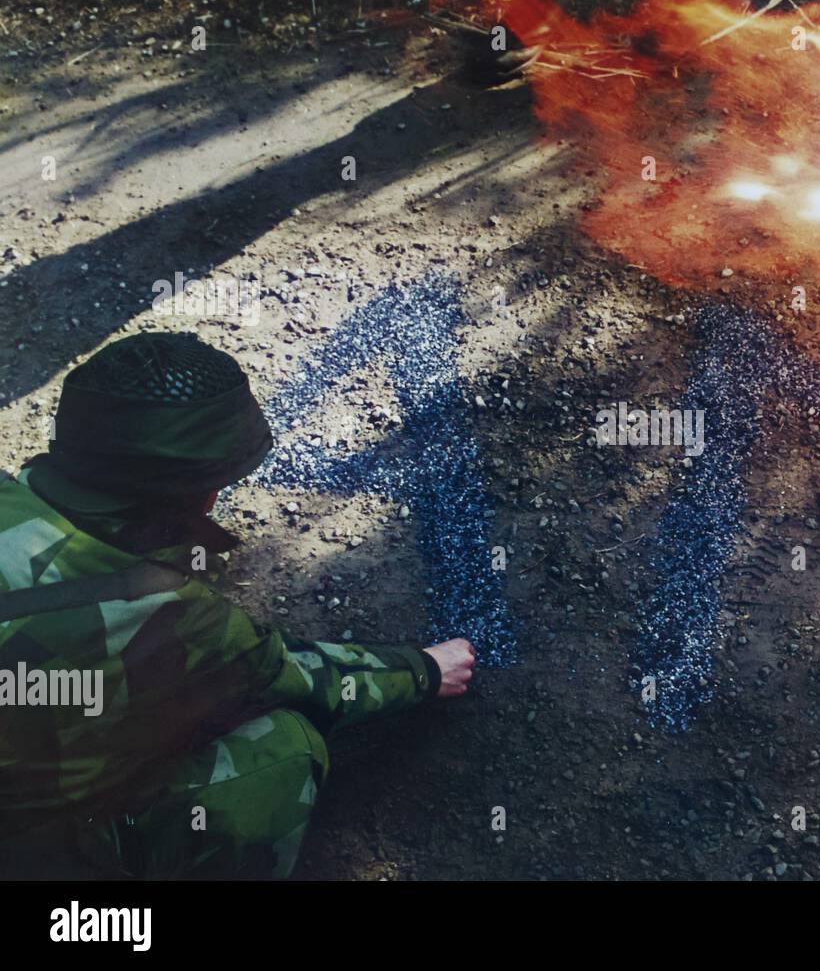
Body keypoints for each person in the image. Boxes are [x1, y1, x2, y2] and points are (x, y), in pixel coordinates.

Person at [0, 332, 476, 879]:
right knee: (282, 749)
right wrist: (422, 670)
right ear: (195, 490)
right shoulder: (168, 611)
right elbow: (290, 675)